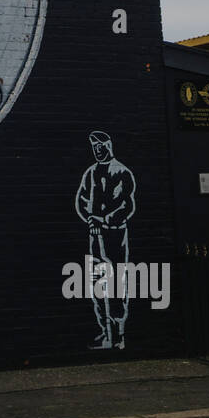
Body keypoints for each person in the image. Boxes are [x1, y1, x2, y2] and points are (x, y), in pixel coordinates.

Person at [74, 130, 136, 350]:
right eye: (94, 147)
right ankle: (104, 331)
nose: (97, 150)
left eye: (101, 146)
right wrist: (90, 219)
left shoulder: (121, 172)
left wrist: (104, 219)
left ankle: (118, 333)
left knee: (117, 280)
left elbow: (126, 205)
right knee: (97, 282)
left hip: (115, 234)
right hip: (95, 235)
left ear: (109, 145)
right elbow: (82, 199)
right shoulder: (90, 173)